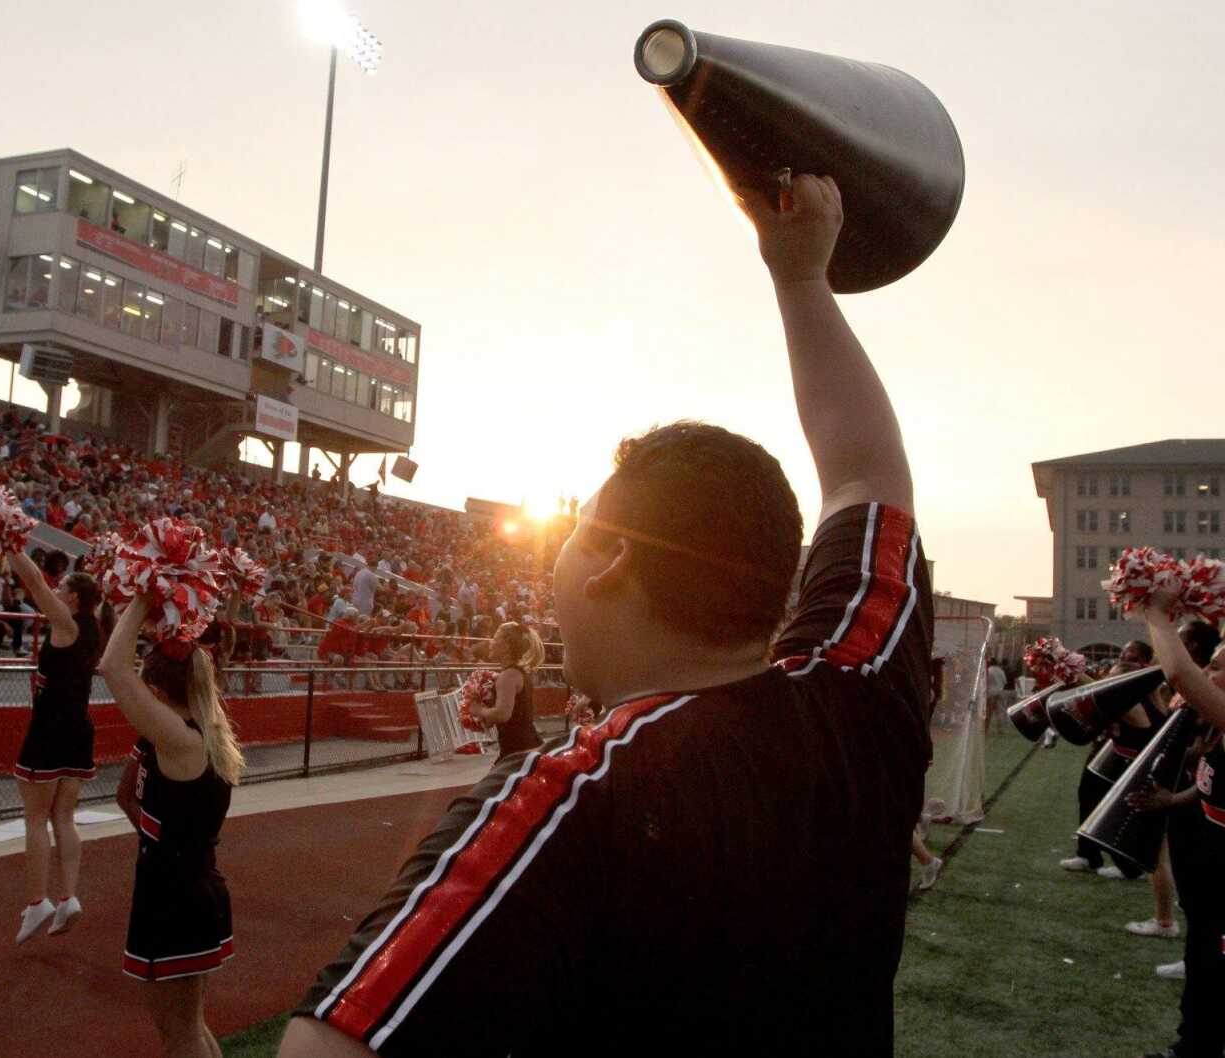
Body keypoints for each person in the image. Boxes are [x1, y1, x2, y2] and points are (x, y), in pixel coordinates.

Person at [279, 174, 932, 1056]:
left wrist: (798, 274)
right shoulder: (858, 690)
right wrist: (801, 276)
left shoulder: (572, 797)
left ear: (615, 562)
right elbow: (866, 473)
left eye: (576, 533)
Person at [99, 595, 244, 1058]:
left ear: (157, 694)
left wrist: (144, 594)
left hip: (175, 894)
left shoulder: (182, 740)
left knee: (179, 1033)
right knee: (188, 1027)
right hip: (187, 885)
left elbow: (112, 668)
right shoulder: (202, 733)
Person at [1131, 601, 1225, 1058]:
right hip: (1211, 845)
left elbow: (1181, 673)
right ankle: (1193, 1047)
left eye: (1218, 667)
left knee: (1215, 963)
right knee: (1204, 957)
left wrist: (1154, 608)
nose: (1210, 672)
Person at [7, 549, 111, 943]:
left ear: (73, 597)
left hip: (50, 727)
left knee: (35, 818)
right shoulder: (95, 626)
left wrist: (11, 545)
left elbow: (34, 582)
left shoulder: (67, 624)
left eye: (63, 585)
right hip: (78, 727)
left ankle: (37, 902)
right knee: (64, 816)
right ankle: (68, 896)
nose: (56, 588)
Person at [1060, 639, 1163, 880]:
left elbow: (1097, 692)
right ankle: (1091, 856)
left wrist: (1066, 665)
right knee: (1092, 801)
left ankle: (1130, 867)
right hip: (1118, 760)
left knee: (1117, 817)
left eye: (1114, 680)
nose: (1109, 682)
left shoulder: (1134, 707)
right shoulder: (1142, 698)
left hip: (1131, 768)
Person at [465, 621, 545, 761]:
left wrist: (478, 709)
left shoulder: (508, 676)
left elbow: (502, 714)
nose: (491, 643)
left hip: (519, 751)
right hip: (523, 747)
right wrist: (485, 717)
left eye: (495, 638)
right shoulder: (515, 673)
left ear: (506, 646)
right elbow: (510, 715)